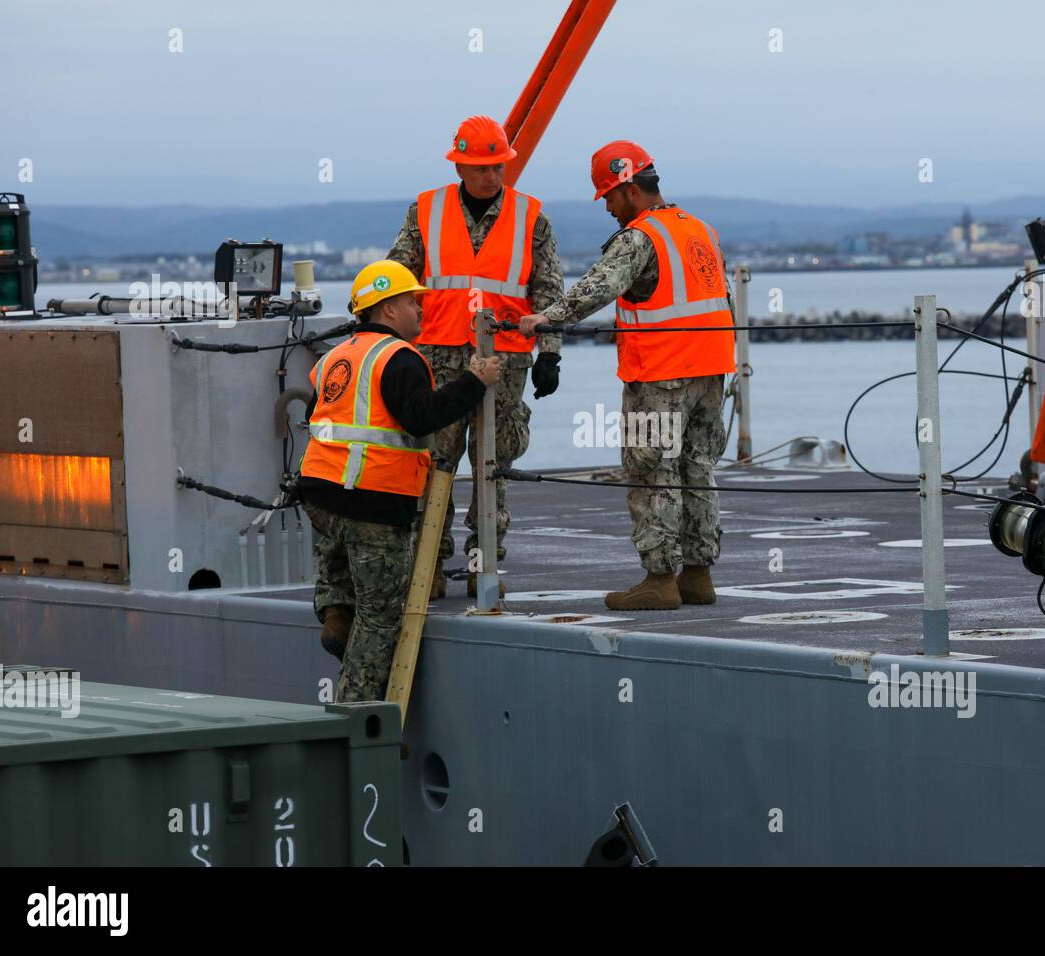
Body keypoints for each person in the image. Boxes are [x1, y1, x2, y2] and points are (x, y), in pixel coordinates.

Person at [518, 141, 735, 611]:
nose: (610, 210)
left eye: (610, 198)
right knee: (697, 468)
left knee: (651, 470)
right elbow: (724, 299)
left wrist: (546, 318)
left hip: (660, 372)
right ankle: (698, 575)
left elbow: (600, 286)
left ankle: (659, 579)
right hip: (711, 369)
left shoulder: (640, 237)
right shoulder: (700, 229)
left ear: (630, 189)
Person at [298, 260, 501, 702]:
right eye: (412, 302)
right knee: (381, 615)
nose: (419, 310)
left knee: (340, 565)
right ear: (387, 309)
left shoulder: (336, 356)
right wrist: (475, 382)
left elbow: (318, 417)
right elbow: (421, 416)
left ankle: (335, 609)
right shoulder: (400, 358)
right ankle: (358, 713)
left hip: (320, 492)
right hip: (372, 500)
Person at [387, 114, 564, 599]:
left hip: (504, 361)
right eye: (482, 167)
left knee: (494, 462)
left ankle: (484, 565)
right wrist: (387, 338)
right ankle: (429, 567)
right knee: (434, 461)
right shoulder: (426, 210)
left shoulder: (531, 216)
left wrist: (550, 352)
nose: (492, 176)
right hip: (439, 356)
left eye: (498, 167)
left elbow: (549, 289)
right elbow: (399, 275)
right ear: (461, 166)